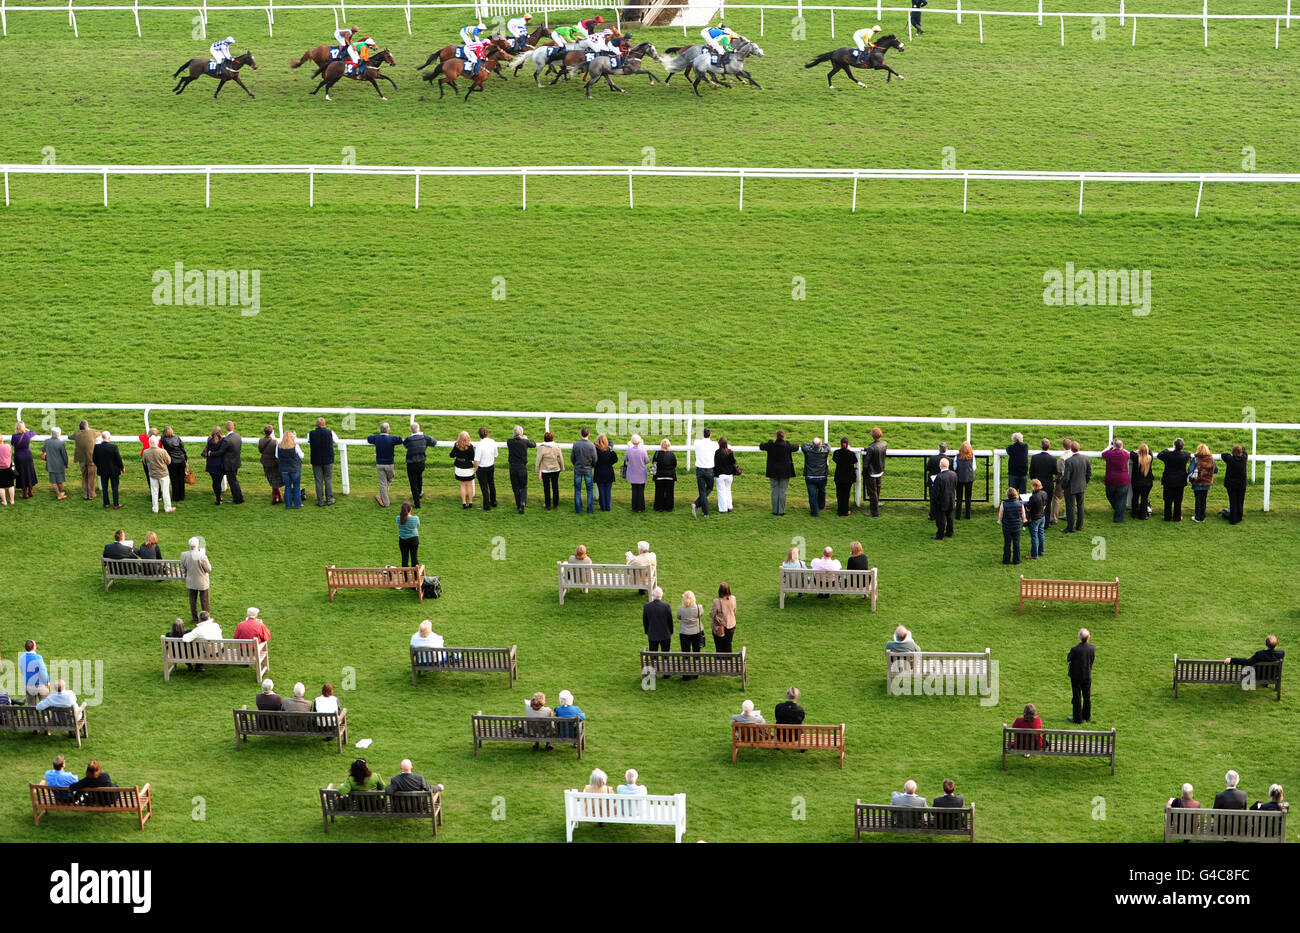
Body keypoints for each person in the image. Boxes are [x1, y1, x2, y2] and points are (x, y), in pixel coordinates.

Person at [759, 429, 798, 515]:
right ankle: (781, 511)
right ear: (784, 436)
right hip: (785, 472)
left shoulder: (771, 445)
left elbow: (761, 446)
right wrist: (788, 442)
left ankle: (775, 510)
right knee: (782, 491)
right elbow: (796, 447)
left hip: (773, 472)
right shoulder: (787, 445)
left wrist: (769, 441)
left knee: (774, 491)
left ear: (776, 436)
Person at [367, 423, 404, 508]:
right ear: (388, 430)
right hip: (389, 464)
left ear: (380, 430)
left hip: (379, 464)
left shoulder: (376, 438)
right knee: (388, 481)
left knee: (383, 483)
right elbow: (400, 439)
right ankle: (386, 503)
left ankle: (380, 495)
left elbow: (369, 438)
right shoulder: (392, 438)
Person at [403, 423, 436, 509]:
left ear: (411, 430)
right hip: (421, 463)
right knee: (419, 477)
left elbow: (405, 445)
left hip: (411, 464)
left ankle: (417, 503)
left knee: (413, 484)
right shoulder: (424, 437)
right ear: (419, 429)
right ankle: (420, 493)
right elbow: (434, 442)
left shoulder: (409, 439)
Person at [1157, 437, 1191, 522]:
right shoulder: (1185, 455)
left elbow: (1159, 455)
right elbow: (1189, 454)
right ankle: (1177, 517)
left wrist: (1168, 449)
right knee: (1178, 500)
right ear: (1182, 446)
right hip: (1180, 481)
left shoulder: (1168, 454)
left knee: (1167, 500)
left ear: (1174, 445)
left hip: (1168, 480)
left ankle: (1167, 517)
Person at [1061, 441, 1091, 534]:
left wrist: (1063, 486)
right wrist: (1085, 483)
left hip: (1071, 488)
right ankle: (1079, 526)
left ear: (1071, 449)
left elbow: (1066, 478)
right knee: (1080, 506)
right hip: (1081, 486)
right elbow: (1089, 473)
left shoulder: (1069, 461)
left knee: (1070, 507)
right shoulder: (1086, 458)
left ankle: (1070, 527)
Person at [506, 425, 537, 513]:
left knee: (515, 487)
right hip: (522, 467)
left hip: (513, 467)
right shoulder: (525, 442)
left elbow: (512, 440)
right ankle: (523, 502)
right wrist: (526, 439)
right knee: (523, 486)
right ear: (522, 433)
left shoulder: (509, 442)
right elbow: (534, 444)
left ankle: (518, 504)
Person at [1067, 628, 1095, 723]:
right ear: (1088, 637)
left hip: (1076, 677)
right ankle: (1086, 716)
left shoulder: (1075, 649)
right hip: (1087, 675)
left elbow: (1069, 658)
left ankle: (1077, 718)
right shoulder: (1092, 648)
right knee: (1087, 696)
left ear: (1079, 637)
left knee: (1077, 696)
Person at [180, 536, 212, 621]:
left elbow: (182, 568)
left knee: (192, 600)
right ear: (197, 545)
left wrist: (187, 575)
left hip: (191, 581)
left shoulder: (184, 555)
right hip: (202, 582)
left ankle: (194, 618)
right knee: (204, 601)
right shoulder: (202, 556)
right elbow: (208, 569)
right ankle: (206, 618)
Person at [1100, 438, 1131, 523]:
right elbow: (1127, 452)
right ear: (1122, 446)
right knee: (1122, 498)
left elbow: (1103, 453)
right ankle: (1119, 516)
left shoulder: (1109, 453)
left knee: (1109, 495)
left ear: (1113, 445)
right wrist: (1121, 447)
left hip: (1111, 480)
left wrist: (1109, 447)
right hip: (1123, 480)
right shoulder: (1125, 454)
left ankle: (1118, 510)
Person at [307, 417, 336, 507]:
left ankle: (320, 501)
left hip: (316, 460)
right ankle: (329, 499)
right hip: (328, 460)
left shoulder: (310, 434)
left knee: (318, 481)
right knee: (328, 479)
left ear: (316, 425)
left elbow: (309, 441)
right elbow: (335, 441)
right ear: (325, 424)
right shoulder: (330, 432)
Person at [92, 430, 125, 509]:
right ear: (109, 438)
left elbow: (94, 459)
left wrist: (99, 466)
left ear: (102, 438)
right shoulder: (113, 447)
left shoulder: (97, 447)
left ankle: (106, 504)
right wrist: (122, 468)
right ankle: (116, 504)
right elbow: (118, 459)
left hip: (102, 471)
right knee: (115, 488)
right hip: (114, 471)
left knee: (105, 488)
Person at [141, 435, 174, 514]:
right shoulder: (162, 451)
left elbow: (144, 462)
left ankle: (155, 509)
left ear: (149, 443)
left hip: (153, 474)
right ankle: (167, 508)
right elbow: (169, 461)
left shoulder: (146, 452)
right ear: (157, 442)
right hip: (163, 474)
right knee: (165, 491)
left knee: (154, 492)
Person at [1029, 439, 1058, 527]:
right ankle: (1046, 523)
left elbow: (1031, 472)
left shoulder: (1034, 457)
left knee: (1036, 503)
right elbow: (1055, 472)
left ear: (1041, 446)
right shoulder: (1053, 459)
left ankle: (1035, 521)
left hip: (1037, 484)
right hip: (1048, 484)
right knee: (1047, 503)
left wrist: (1034, 481)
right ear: (1049, 446)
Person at [690, 427, 718, 518]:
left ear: (703, 435)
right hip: (709, 470)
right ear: (710, 435)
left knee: (702, 491)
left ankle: (698, 505)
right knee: (709, 488)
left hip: (700, 470)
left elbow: (696, 442)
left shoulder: (697, 442)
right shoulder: (714, 444)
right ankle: (704, 511)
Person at [800, 436, 830, 517]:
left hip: (810, 477)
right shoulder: (825, 450)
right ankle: (821, 506)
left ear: (813, 445)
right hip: (822, 476)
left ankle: (814, 512)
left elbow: (803, 445)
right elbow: (828, 445)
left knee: (812, 495)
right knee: (822, 491)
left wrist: (811, 445)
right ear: (820, 445)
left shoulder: (808, 451)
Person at [996, 486, 1027, 565]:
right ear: (1016, 495)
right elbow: (1023, 517)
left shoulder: (1003, 504)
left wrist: (1000, 521)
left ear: (1007, 495)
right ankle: (1016, 560)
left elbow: (1000, 515)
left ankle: (1006, 561)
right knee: (1016, 543)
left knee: (1007, 543)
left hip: (1007, 526)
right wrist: (1024, 522)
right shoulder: (1020, 504)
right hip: (1017, 527)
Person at [216, 421, 244, 504]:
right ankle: (239, 497)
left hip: (229, 464)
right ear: (233, 427)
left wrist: (211, 453)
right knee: (234, 481)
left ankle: (238, 499)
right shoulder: (238, 436)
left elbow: (220, 452)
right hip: (236, 462)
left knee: (233, 482)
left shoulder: (227, 440)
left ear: (225, 428)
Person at [570, 428, 597, 514]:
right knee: (589, 490)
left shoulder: (576, 444)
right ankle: (590, 509)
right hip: (588, 469)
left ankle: (578, 509)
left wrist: (576, 465)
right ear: (588, 434)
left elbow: (572, 458)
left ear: (581, 434)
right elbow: (595, 459)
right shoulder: (591, 445)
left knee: (577, 489)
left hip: (578, 469)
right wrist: (591, 466)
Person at [1188, 442, 1217, 523]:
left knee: (1198, 499)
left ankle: (1197, 517)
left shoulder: (1196, 459)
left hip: (1197, 482)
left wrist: (1191, 462)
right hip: (1207, 482)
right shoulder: (1211, 459)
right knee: (1204, 499)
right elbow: (1216, 470)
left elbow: (1190, 470)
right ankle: (1202, 516)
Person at [677, 591, 705, 672]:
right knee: (696, 652)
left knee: (685, 654)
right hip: (696, 632)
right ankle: (696, 672)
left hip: (684, 633)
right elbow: (701, 614)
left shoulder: (681, 609)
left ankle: (686, 674)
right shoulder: (699, 607)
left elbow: (679, 617)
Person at [536, 431, 564, 510]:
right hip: (555, 469)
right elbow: (560, 458)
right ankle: (556, 505)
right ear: (552, 438)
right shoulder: (557, 446)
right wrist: (562, 467)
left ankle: (548, 505)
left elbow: (539, 459)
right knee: (555, 487)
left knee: (546, 488)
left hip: (545, 470)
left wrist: (537, 468)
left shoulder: (542, 447)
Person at [473, 426, 499, 511]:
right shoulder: (493, 442)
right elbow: (495, 455)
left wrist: (476, 469)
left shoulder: (479, 445)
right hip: (491, 466)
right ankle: (494, 502)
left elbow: (477, 460)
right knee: (491, 484)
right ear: (487, 433)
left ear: (479, 435)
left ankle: (486, 506)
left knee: (484, 487)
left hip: (482, 468)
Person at [862, 427, 887, 517]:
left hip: (872, 473)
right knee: (877, 489)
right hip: (880, 471)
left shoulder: (871, 448)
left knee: (872, 493)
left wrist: (863, 472)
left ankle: (874, 512)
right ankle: (876, 503)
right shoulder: (884, 444)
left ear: (873, 436)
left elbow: (866, 463)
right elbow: (876, 449)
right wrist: (866, 449)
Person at [930, 457, 957, 540]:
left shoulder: (939, 477)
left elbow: (936, 492)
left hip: (942, 501)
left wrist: (933, 503)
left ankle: (940, 535)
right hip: (951, 499)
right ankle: (950, 532)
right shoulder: (954, 474)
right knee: (950, 517)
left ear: (940, 466)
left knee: (941, 519)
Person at [1220, 444, 1247, 524]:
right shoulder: (1244, 458)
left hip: (1231, 484)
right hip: (1241, 484)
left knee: (1233, 501)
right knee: (1240, 501)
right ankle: (1239, 516)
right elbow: (1245, 452)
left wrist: (1231, 454)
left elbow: (1223, 455)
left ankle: (1234, 519)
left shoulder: (1230, 459)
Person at [642, 586, 674, 656]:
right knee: (665, 656)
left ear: (652, 595)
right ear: (661, 595)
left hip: (652, 635)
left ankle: (654, 666)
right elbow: (670, 620)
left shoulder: (647, 606)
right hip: (665, 635)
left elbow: (645, 621)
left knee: (653, 656)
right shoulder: (666, 606)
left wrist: (647, 631)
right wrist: (671, 631)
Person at [276, 429, 304, 509]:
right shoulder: (295, 446)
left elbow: (277, 456)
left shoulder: (279, 446)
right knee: (296, 487)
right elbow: (302, 456)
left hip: (284, 470)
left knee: (287, 487)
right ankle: (297, 504)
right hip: (294, 469)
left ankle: (288, 505)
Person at [72, 420, 98, 500]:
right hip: (91, 459)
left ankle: (85, 494)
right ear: (87, 426)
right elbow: (99, 433)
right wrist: (90, 429)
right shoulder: (92, 432)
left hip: (81, 459)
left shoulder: (76, 434)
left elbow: (70, 436)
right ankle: (91, 494)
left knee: (84, 476)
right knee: (91, 477)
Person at [41, 426, 69, 501]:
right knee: (60, 480)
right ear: (59, 434)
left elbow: (43, 450)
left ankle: (58, 494)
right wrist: (66, 463)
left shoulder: (47, 441)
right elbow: (64, 455)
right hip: (60, 464)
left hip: (50, 464)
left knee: (53, 480)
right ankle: (59, 494)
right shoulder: (61, 443)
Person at [831, 437, 857, 517]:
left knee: (839, 494)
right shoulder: (851, 454)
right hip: (848, 478)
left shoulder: (836, 453)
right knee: (846, 494)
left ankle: (840, 510)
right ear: (847, 444)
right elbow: (855, 461)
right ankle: (845, 511)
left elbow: (834, 459)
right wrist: (848, 450)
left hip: (839, 477)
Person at [450, 431, 477, 508]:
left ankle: (464, 503)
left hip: (459, 468)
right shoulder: (470, 447)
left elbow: (451, 455)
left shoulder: (457, 445)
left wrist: (457, 454)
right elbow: (473, 457)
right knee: (470, 485)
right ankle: (470, 502)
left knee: (462, 485)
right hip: (468, 468)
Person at [257, 425, 282, 505]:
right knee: (275, 481)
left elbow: (260, 451)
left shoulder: (261, 441)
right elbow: (277, 453)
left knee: (272, 480)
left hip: (265, 463)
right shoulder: (275, 442)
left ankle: (279, 496)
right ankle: (274, 498)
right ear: (272, 432)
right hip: (273, 464)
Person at [19, 640, 50, 706]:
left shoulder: (21, 658)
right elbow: (43, 672)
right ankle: (45, 716)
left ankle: (33, 716)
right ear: (33, 647)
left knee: (31, 707)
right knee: (45, 706)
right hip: (40, 685)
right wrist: (47, 682)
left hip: (28, 685)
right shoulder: (38, 658)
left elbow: (22, 670)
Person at [1129, 442, 1154, 520]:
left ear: (1139, 451)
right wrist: (1145, 450)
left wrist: (1138, 451)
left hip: (1137, 482)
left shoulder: (1136, 458)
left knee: (1135, 497)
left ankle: (1134, 513)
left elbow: (1131, 453)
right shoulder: (1150, 458)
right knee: (1144, 498)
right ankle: (1143, 515)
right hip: (1147, 482)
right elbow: (1150, 452)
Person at [593, 433, 619, 512]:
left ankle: (603, 507)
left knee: (601, 490)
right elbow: (615, 460)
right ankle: (608, 506)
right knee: (608, 490)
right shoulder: (609, 451)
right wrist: (610, 445)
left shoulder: (595, 450)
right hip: (608, 473)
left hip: (599, 473)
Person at [11, 421, 37, 499]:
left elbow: (13, 444)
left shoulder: (14, 436)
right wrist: (26, 429)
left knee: (22, 473)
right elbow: (34, 432)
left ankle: (25, 493)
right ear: (23, 427)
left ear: (16, 428)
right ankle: (31, 490)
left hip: (19, 456)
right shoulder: (27, 434)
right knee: (29, 472)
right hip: (28, 455)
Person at [201, 426, 226, 505]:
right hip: (219, 465)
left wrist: (211, 453)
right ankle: (218, 499)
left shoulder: (209, 440)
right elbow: (222, 452)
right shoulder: (223, 440)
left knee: (215, 482)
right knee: (218, 482)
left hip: (210, 464)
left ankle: (218, 498)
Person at [625, 434, 649, 513]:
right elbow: (647, 461)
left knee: (634, 490)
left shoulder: (629, 450)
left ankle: (634, 507)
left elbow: (626, 459)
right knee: (641, 491)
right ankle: (641, 507)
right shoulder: (643, 450)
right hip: (641, 473)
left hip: (632, 473)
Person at [714, 437, 739, 513]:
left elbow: (716, 464)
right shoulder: (730, 452)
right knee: (728, 490)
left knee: (721, 492)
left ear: (719, 444)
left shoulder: (717, 453)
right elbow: (733, 462)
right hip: (729, 475)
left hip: (721, 475)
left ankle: (723, 509)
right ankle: (730, 506)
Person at [393, 501, 421, 568]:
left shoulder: (398, 518)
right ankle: (415, 576)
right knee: (414, 558)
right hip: (413, 539)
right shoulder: (415, 518)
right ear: (410, 509)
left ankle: (405, 577)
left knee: (404, 559)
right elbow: (417, 526)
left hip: (403, 540)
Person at [710, 582, 737, 653]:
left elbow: (711, 614)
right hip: (731, 625)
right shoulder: (733, 598)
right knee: (728, 645)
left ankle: (720, 662)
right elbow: (734, 610)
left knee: (719, 647)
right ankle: (729, 662)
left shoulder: (716, 601)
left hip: (719, 626)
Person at [651, 439, 677, 512]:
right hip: (670, 476)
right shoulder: (672, 454)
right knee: (670, 492)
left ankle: (659, 507)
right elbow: (675, 465)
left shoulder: (657, 453)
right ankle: (669, 507)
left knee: (659, 492)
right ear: (669, 446)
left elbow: (654, 463)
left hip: (659, 475)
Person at [1051, 437, 1072, 526]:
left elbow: (1060, 473)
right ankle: (1067, 515)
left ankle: (1053, 518)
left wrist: (1055, 480)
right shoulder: (1073, 455)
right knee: (1070, 499)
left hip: (1062, 482)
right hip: (1072, 481)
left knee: (1056, 499)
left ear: (1063, 446)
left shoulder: (1062, 459)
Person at [1026, 479, 1048, 560]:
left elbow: (1028, 509)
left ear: (1034, 486)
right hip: (1042, 516)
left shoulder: (1033, 497)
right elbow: (1044, 505)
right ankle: (1041, 551)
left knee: (1034, 536)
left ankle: (1034, 555)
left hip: (1035, 518)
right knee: (1041, 534)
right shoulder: (1044, 493)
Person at [954, 441, 976, 520]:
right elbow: (974, 468)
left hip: (959, 478)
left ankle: (958, 515)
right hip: (969, 478)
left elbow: (955, 467)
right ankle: (968, 515)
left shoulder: (957, 457)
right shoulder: (972, 457)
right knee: (968, 497)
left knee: (959, 497)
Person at [1005, 433, 1029, 500]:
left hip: (1013, 474)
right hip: (1023, 474)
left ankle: (1013, 508)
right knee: (1023, 495)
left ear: (1013, 440)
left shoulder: (1011, 448)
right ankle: (1022, 508)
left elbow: (1007, 449)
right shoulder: (1025, 446)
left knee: (1012, 494)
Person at [0, 436, 12, 506]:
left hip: (0, 469)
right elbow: (9, 455)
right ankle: (12, 500)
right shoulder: (8, 446)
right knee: (11, 485)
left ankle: (4, 502)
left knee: (1, 487)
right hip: (8, 467)